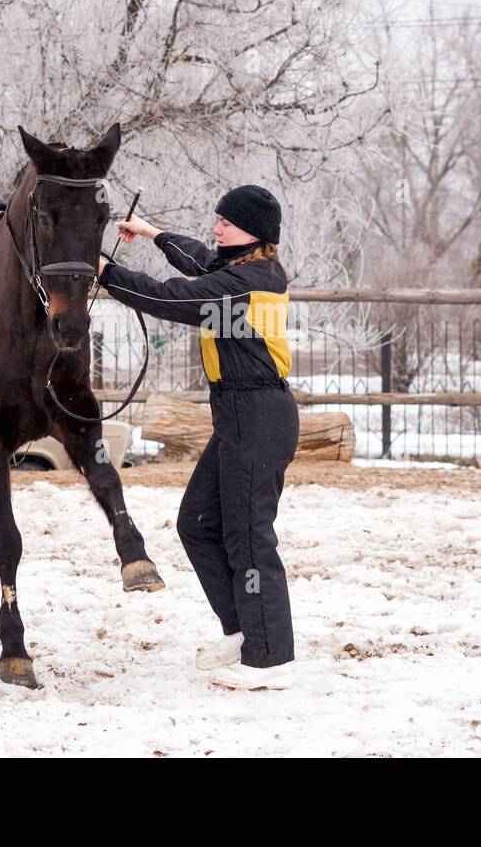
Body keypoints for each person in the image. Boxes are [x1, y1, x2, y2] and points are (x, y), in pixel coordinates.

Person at [96, 185, 299, 690]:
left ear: (251, 231)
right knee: (199, 522)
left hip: (258, 415)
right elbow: (201, 262)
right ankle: (245, 631)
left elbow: (170, 297)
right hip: (238, 415)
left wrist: (104, 274)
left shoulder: (247, 285)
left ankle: (270, 659)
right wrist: (152, 233)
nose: (216, 228)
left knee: (250, 537)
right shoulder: (242, 275)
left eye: (225, 223)